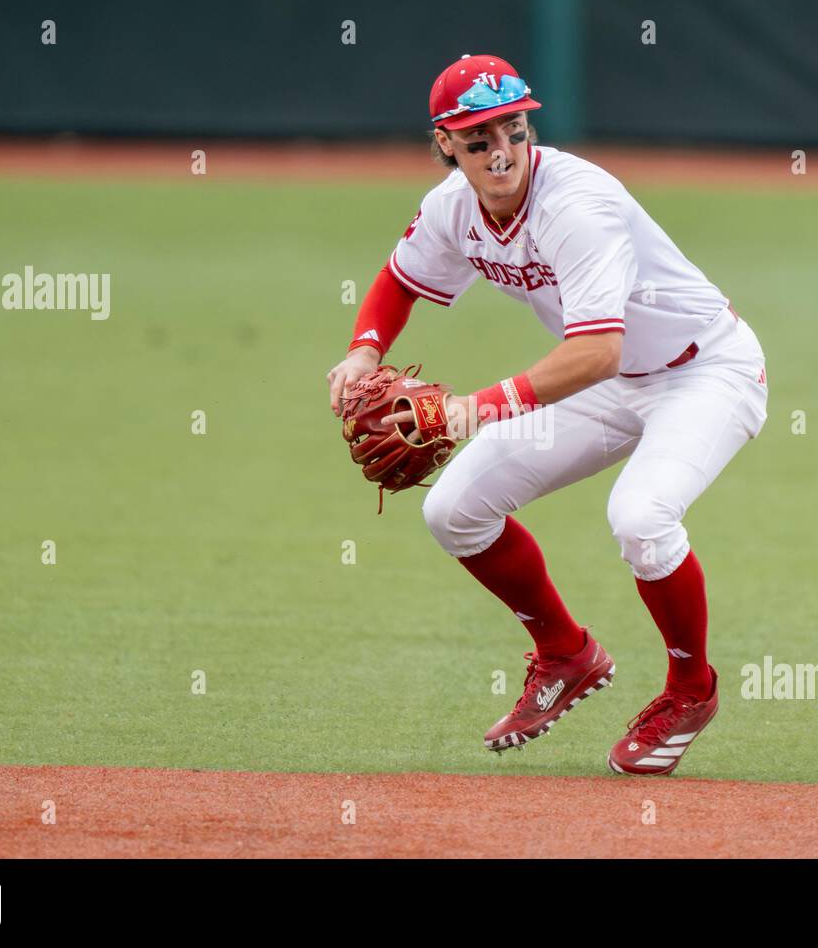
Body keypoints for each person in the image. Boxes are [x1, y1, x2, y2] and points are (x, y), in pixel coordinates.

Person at [326, 55, 768, 775]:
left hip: (704, 373)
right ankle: (565, 652)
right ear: (445, 142)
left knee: (641, 517)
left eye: (514, 127)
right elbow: (400, 279)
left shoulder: (577, 204)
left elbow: (595, 351)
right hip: (608, 380)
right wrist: (363, 353)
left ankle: (692, 690)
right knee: (454, 512)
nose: (500, 150)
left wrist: (474, 410)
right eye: (478, 137)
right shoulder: (451, 208)